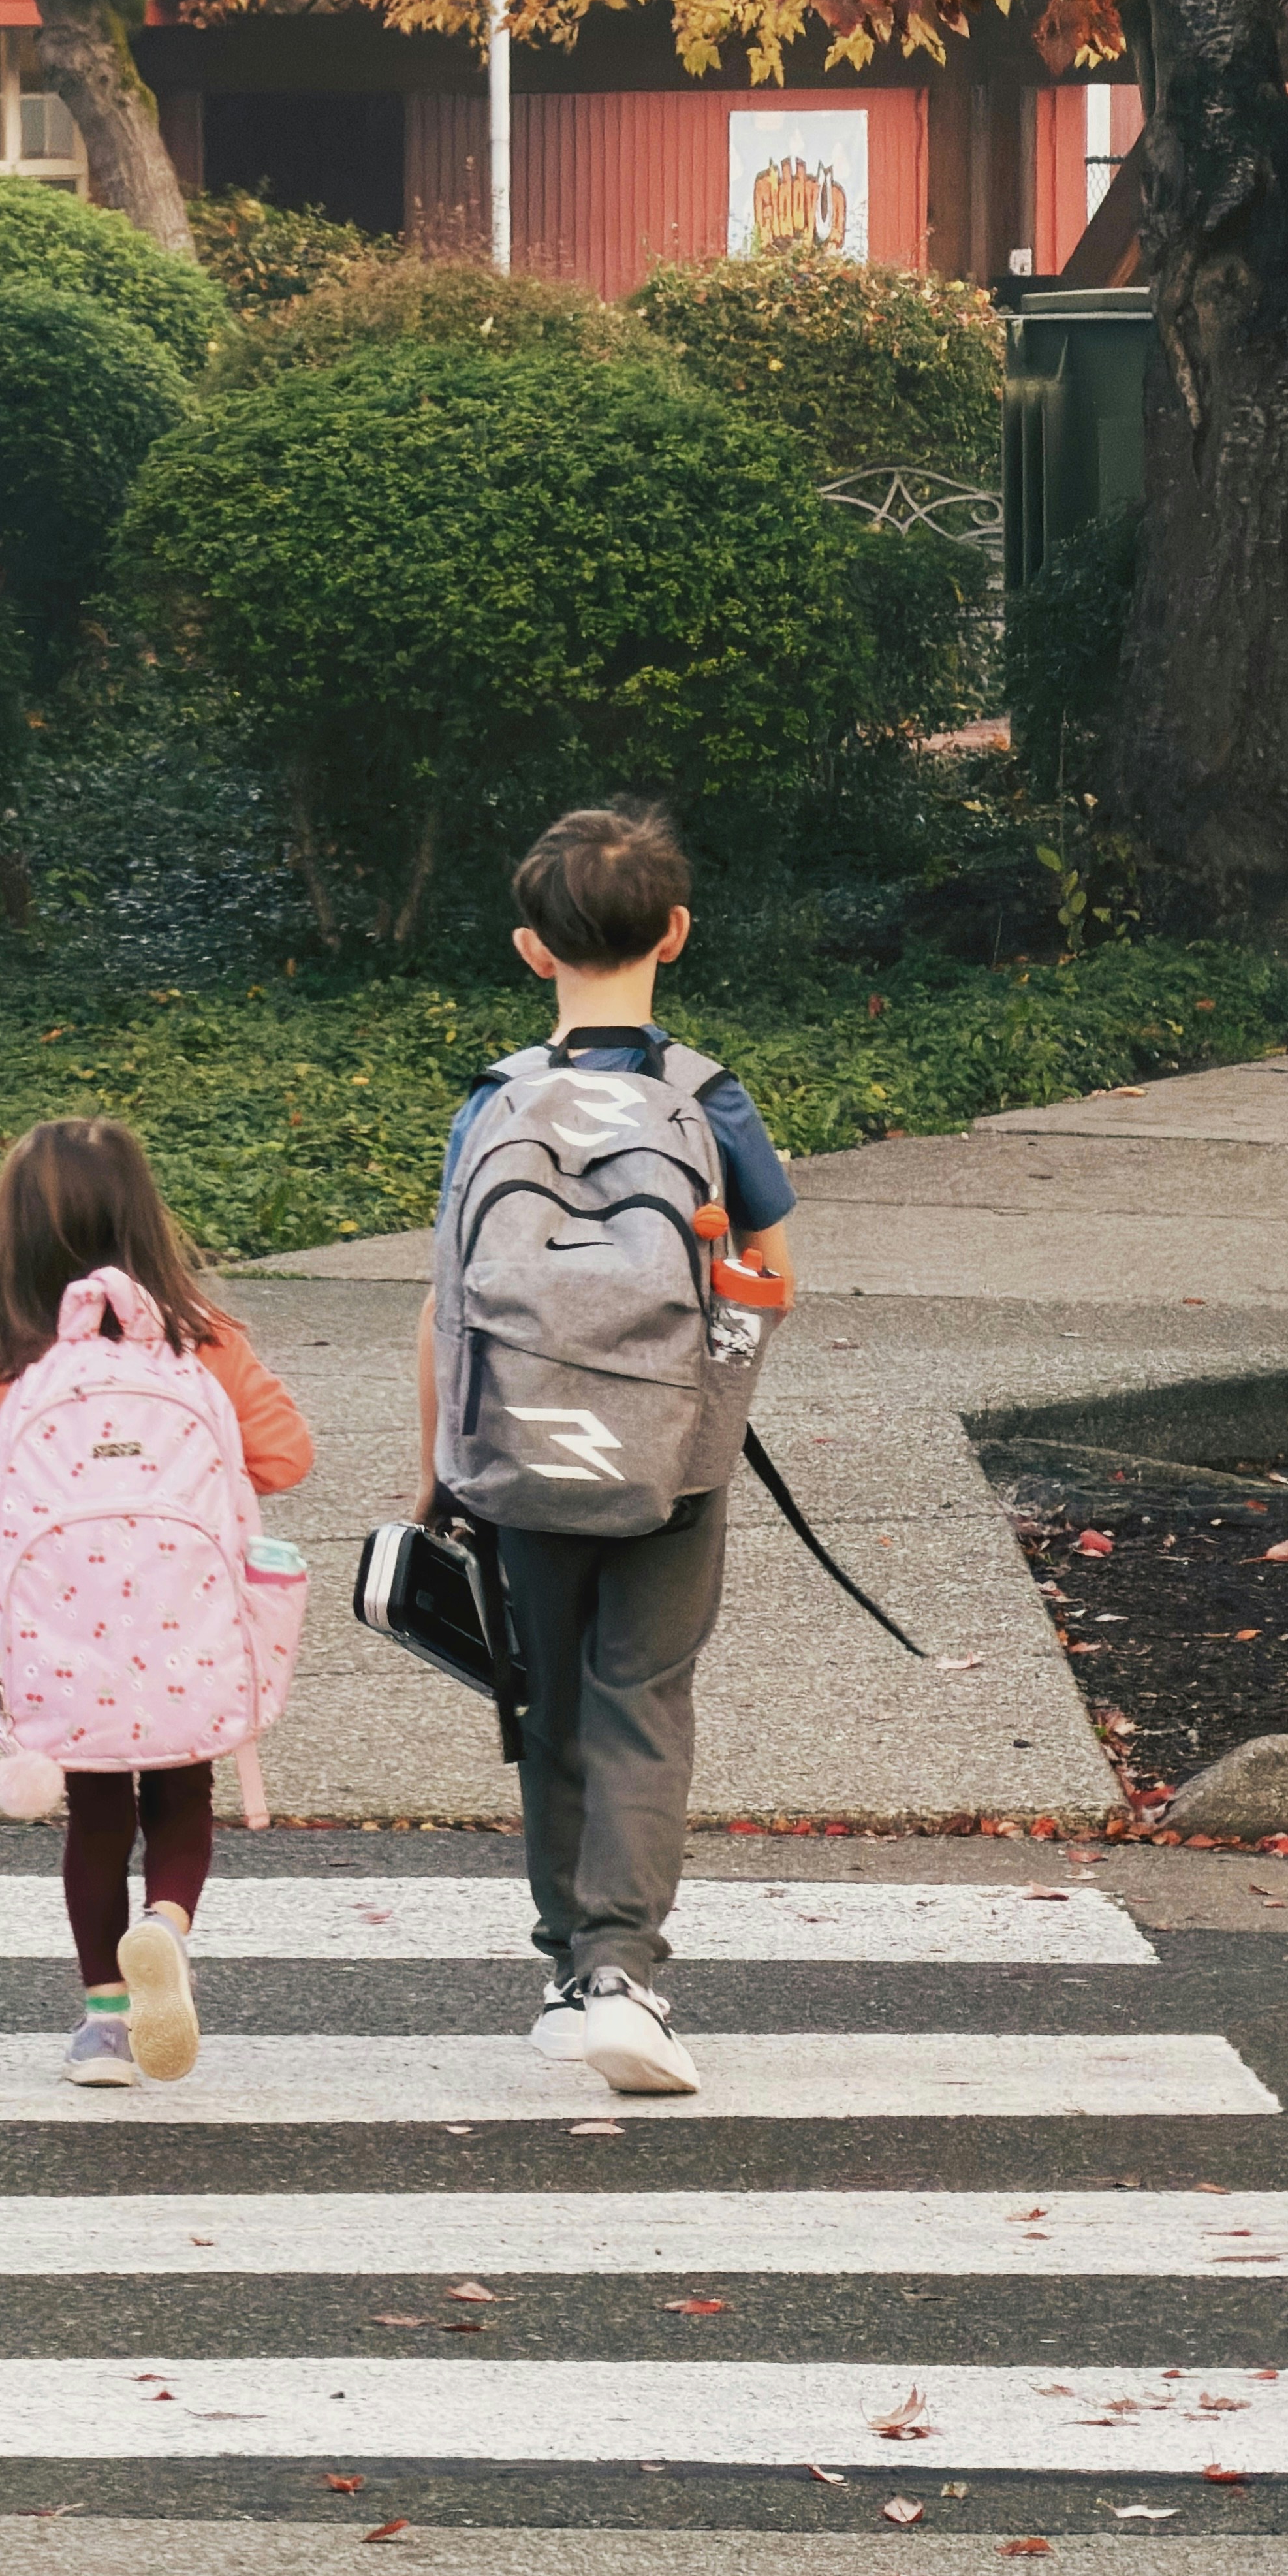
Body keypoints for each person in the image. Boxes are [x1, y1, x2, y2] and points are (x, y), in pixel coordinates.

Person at [415, 797, 795, 2096]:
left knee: (549, 1702)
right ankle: (626, 1967)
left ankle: (566, 1968)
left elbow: (448, 1305)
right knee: (642, 1695)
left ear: (532, 949)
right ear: (675, 932)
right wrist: (702, 1423)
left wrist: (436, 1475)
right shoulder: (707, 1098)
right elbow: (765, 1279)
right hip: (665, 1461)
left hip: (516, 1454)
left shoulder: (492, 1104)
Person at [0, 1118, 314, 2085]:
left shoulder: (17, 1370)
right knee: (183, 1794)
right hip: (192, 1636)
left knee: (96, 1818)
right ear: (147, 1223)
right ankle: (165, 1928)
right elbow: (286, 1456)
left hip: (67, 1647)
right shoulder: (205, 1346)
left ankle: (102, 2025)